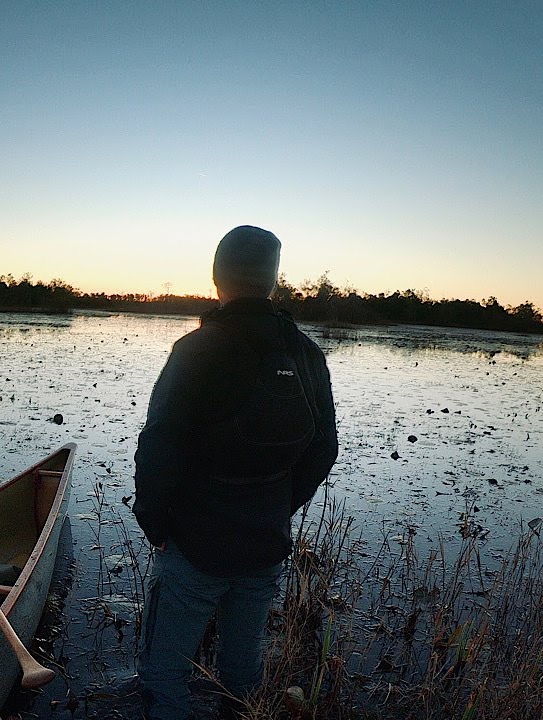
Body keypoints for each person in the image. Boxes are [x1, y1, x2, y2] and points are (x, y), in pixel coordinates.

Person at [132, 225, 338, 720]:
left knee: (165, 672)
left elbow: (159, 444)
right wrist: (276, 506)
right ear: (272, 280)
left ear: (217, 276)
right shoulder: (307, 352)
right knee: (243, 669)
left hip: (195, 545)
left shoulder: (199, 348)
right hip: (265, 541)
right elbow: (324, 450)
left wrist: (156, 524)